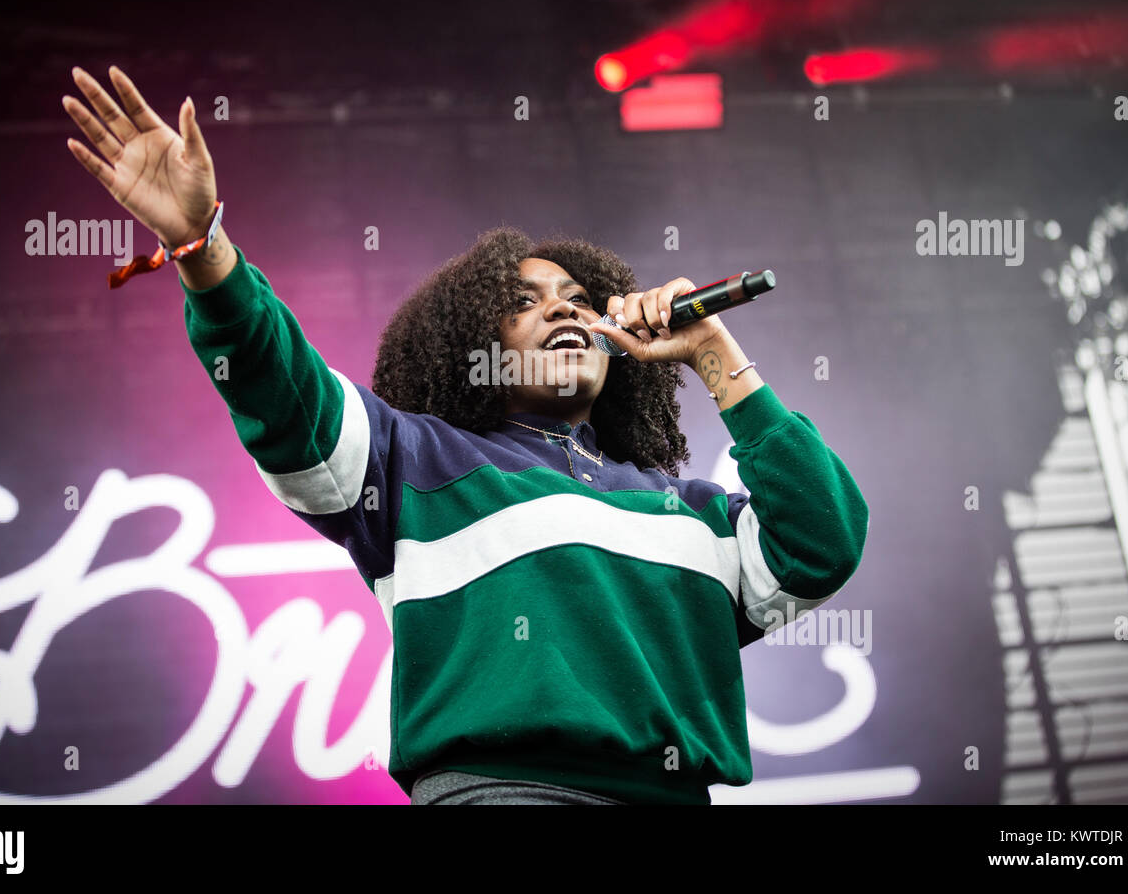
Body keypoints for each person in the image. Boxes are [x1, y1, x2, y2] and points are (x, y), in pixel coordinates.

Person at [62, 64, 870, 805]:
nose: (563, 308)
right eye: (524, 301)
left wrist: (714, 353)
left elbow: (821, 540)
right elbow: (283, 389)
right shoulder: (410, 461)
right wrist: (204, 251)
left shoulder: (694, 513)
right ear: (464, 349)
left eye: (580, 298)